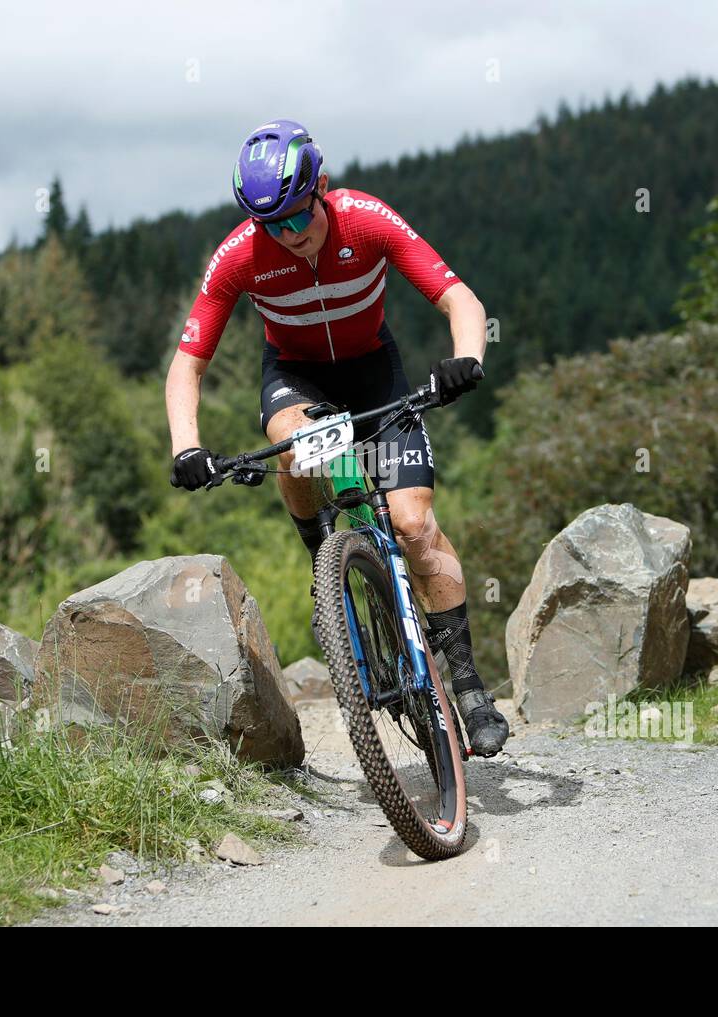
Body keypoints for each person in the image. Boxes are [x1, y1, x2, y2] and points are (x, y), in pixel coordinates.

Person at [164, 118, 508, 756]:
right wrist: (187, 446)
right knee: (297, 443)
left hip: (374, 372)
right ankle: (322, 548)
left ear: (320, 187)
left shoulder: (366, 218)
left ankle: (467, 683)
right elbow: (189, 363)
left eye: (298, 217)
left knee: (413, 523)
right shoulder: (240, 255)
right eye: (273, 226)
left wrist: (466, 358)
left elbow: (459, 298)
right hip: (294, 377)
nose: (290, 236)